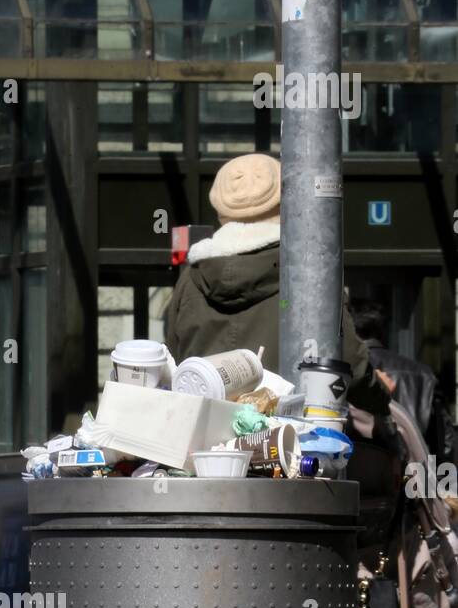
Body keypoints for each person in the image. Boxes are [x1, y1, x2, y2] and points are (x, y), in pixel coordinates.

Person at [165, 153, 390, 415]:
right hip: (289, 444)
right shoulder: (310, 277)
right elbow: (350, 364)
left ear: (221, 208)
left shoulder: (190, 279)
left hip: (206, 443)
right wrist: (382, 396)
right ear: (287, 202)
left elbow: (174, 364)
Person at [349, 297, 457, 468]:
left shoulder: (349, 372)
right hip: (415, 477)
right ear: (383, 331)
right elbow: (446, 442)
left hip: (364, 475)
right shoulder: (424, 375)